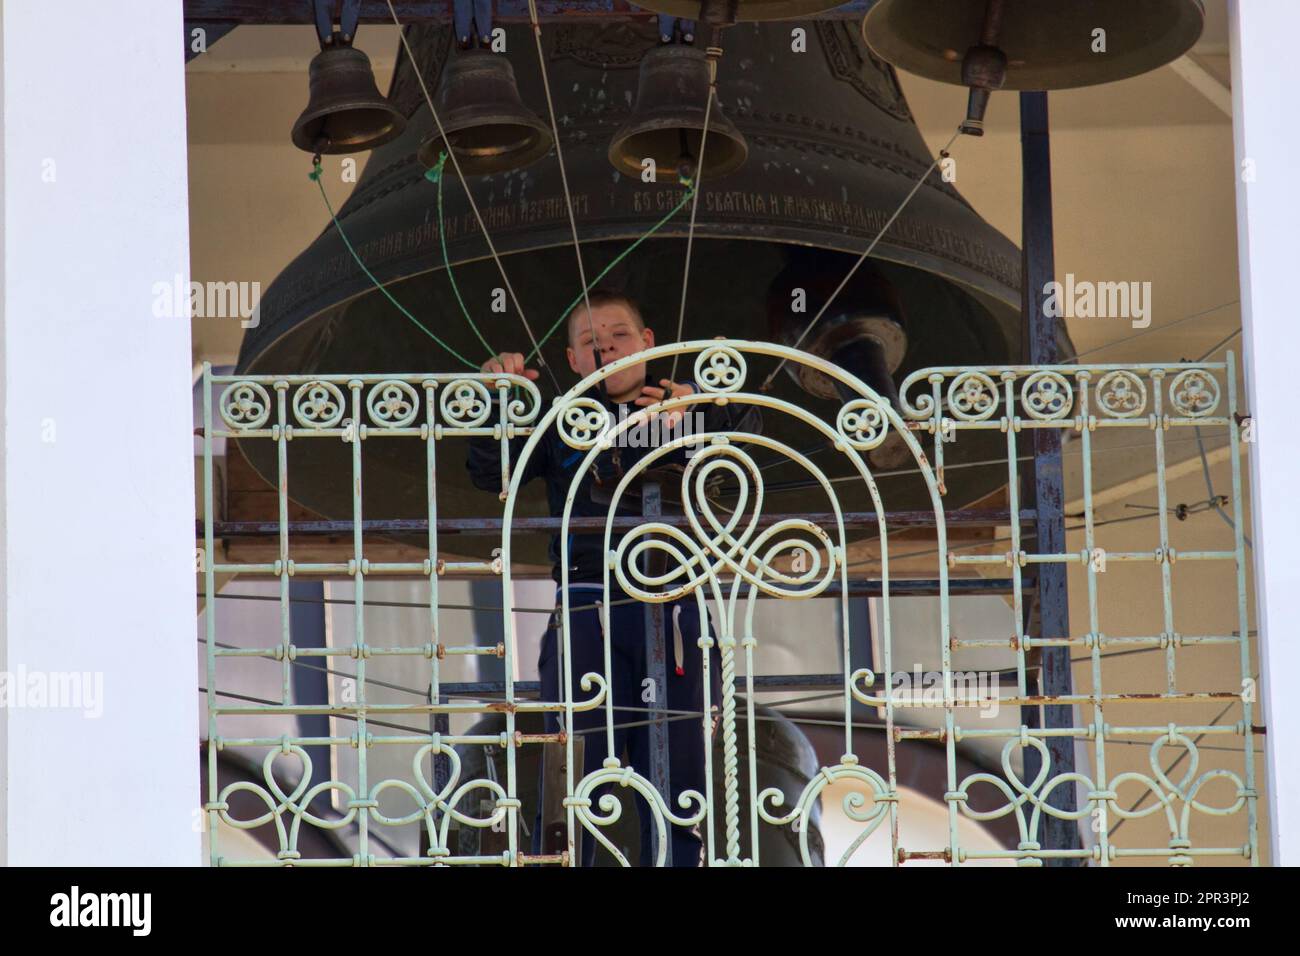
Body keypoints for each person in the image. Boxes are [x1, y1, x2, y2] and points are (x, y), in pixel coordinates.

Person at [465, 289, 761, 866]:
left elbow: (758, 444)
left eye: (619, 336)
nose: (604, 349)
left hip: (672, 605)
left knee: (676, 768)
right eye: (588, 343)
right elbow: (488, 472)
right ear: (573, 362)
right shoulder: (560, 424)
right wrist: (497, 402)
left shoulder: (685, 410)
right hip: (584, 606)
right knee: (574, 766)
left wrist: (709, 406)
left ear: (649, 344)